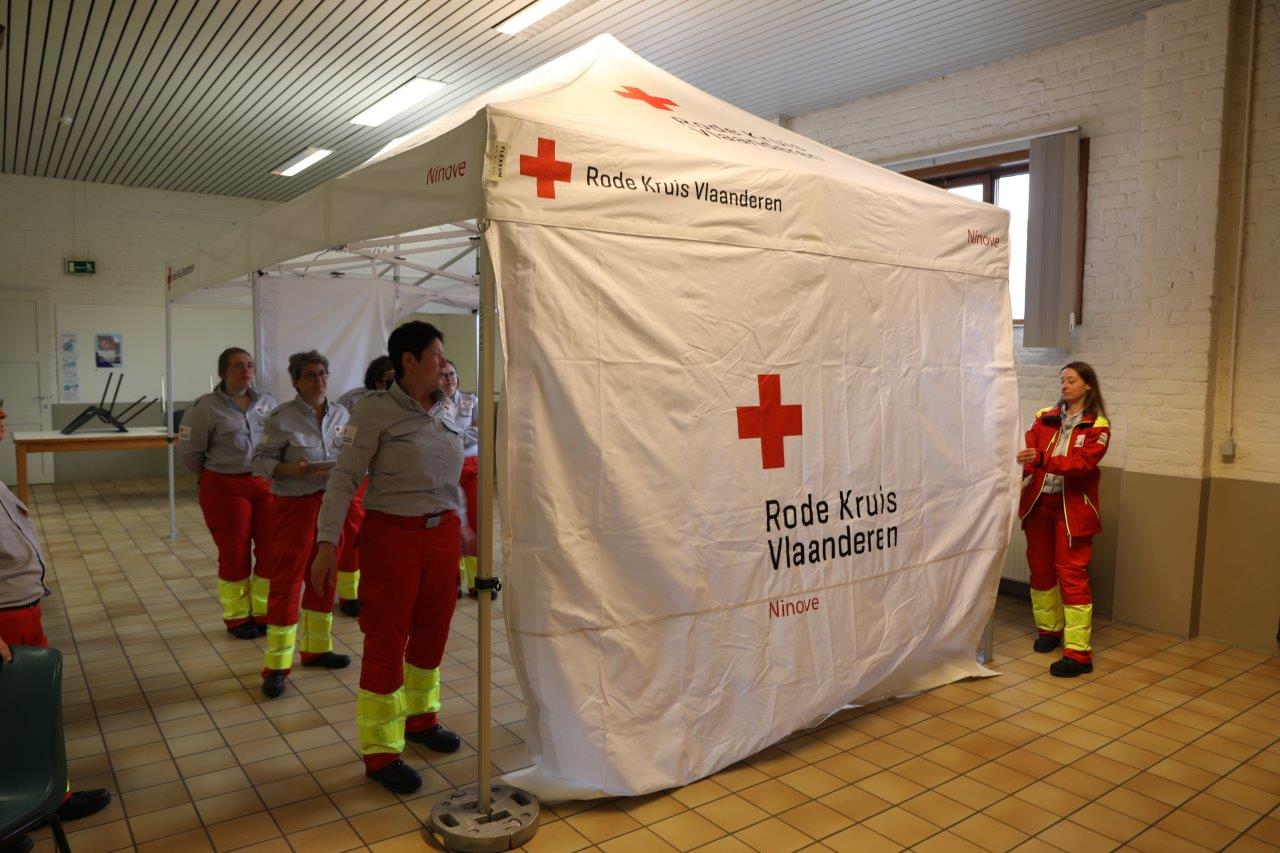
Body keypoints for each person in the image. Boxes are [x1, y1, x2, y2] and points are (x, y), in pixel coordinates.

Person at [311, 322, 474, 794]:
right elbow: (343, 478)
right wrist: (327, 541)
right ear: (408, 360)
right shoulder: (373, 410)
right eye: (437, 355)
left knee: (432, 633)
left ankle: (422, 720)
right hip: (392, 539)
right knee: (386, 639)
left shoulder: (448, 408)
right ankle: (382, 752)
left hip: (440, 536)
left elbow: (453, 478)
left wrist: (459, 529)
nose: (444, 363)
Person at [0, 404, 111, 852]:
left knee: (33, 717)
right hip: (3, 625)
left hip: (23, 614)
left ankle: (51, 796)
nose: (4, 413)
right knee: (8, 721)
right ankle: (11, 814)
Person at [253, 352, 352, 698]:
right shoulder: (281, 418)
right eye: (310, 375)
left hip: (332, 504)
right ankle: (277, 665)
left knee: (324, 577)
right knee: (287, 581)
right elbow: (261, 462)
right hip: (294, 506)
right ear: (296, 380)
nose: (319, 380)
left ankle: (317, 648)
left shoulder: (342, 414)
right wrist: (297, 470)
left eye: (323, 373)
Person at [1016, 361, 1111, 678]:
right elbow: (1028, 449)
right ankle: (1049, 631)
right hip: (1039, 506)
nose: (1064, 385)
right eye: (1062, 380)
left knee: (1072, 575)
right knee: (1041, 570)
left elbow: (1081, 465)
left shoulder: (1098, 425)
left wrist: (1043, 459)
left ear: (1088, 385)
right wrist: (1029, 462)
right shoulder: (1044, 417)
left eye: (1071, 380)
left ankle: (1079, 653)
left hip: (1073, 512)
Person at [178, 347, 277, 638]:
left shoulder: (268, 403)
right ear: (223, 373)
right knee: (234, 552)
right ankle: (236, 617)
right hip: (224, 487)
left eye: (249, 365)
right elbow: (190, 453)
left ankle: (264, 612)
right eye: (238, 366)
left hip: (264, 484)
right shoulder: (204, 407)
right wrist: (212, 475)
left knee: (272, 549)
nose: (246, 371)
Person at [333, 355, 396, 617]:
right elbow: (340, 438)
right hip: (361, 476)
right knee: (353, 534)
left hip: (390, 477)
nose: (388, 385)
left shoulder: (405, 401)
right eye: (385, 379)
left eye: (393, 380)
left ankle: (379, 588)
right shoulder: (353, 399)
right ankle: (349, 595)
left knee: (385, 537)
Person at [439, 360, 483, 597]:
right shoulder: (433, 404)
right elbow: (439, 433)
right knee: (452, 522)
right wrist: (463, 435)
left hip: (471, 466)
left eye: (452, 374)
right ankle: (453, 580)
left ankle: (477, 581)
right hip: (446, 467)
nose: (449, 379)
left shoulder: (472, 401)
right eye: (444, 375)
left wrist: (456, 435)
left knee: (477, 521)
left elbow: (479, 430)